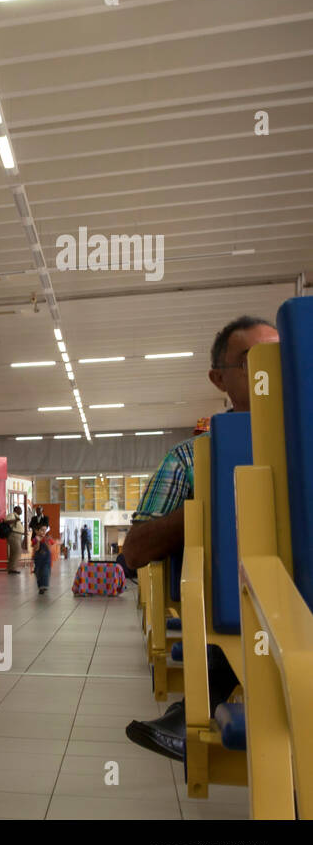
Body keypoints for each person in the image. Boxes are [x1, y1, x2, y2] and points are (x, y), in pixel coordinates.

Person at [123, 315, 279, 761]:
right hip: (241, 618)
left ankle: (198, 703)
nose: (271, 370)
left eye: (280, 357)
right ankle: (200, 701)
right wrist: (206, 511)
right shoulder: (191, 459)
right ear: (220, 379)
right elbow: (134, 551)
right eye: (252, 361)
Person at [33, 523, 54, 594]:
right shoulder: (35, 539)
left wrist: (47, 542)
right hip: (38, 559)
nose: (44, 532)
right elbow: (36, 549)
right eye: (42, 530)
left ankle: (44, 586)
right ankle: (40, 587)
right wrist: (38, 541)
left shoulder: (47, 538)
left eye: (45, 530)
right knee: (38, 572)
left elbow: (50, 548)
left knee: (45, 571)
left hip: (46, 559)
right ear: (36, 531)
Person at [5, 505, 25, 573]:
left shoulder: (17, 516)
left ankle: (11, 568)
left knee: (14, 552)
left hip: (18, 535)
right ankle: (13, 568)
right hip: (14, 535)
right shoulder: (12, 515)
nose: (21, 511)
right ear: (16, 509)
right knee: (17, 551)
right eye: (20, 509)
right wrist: (15, 520)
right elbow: (6, 521)